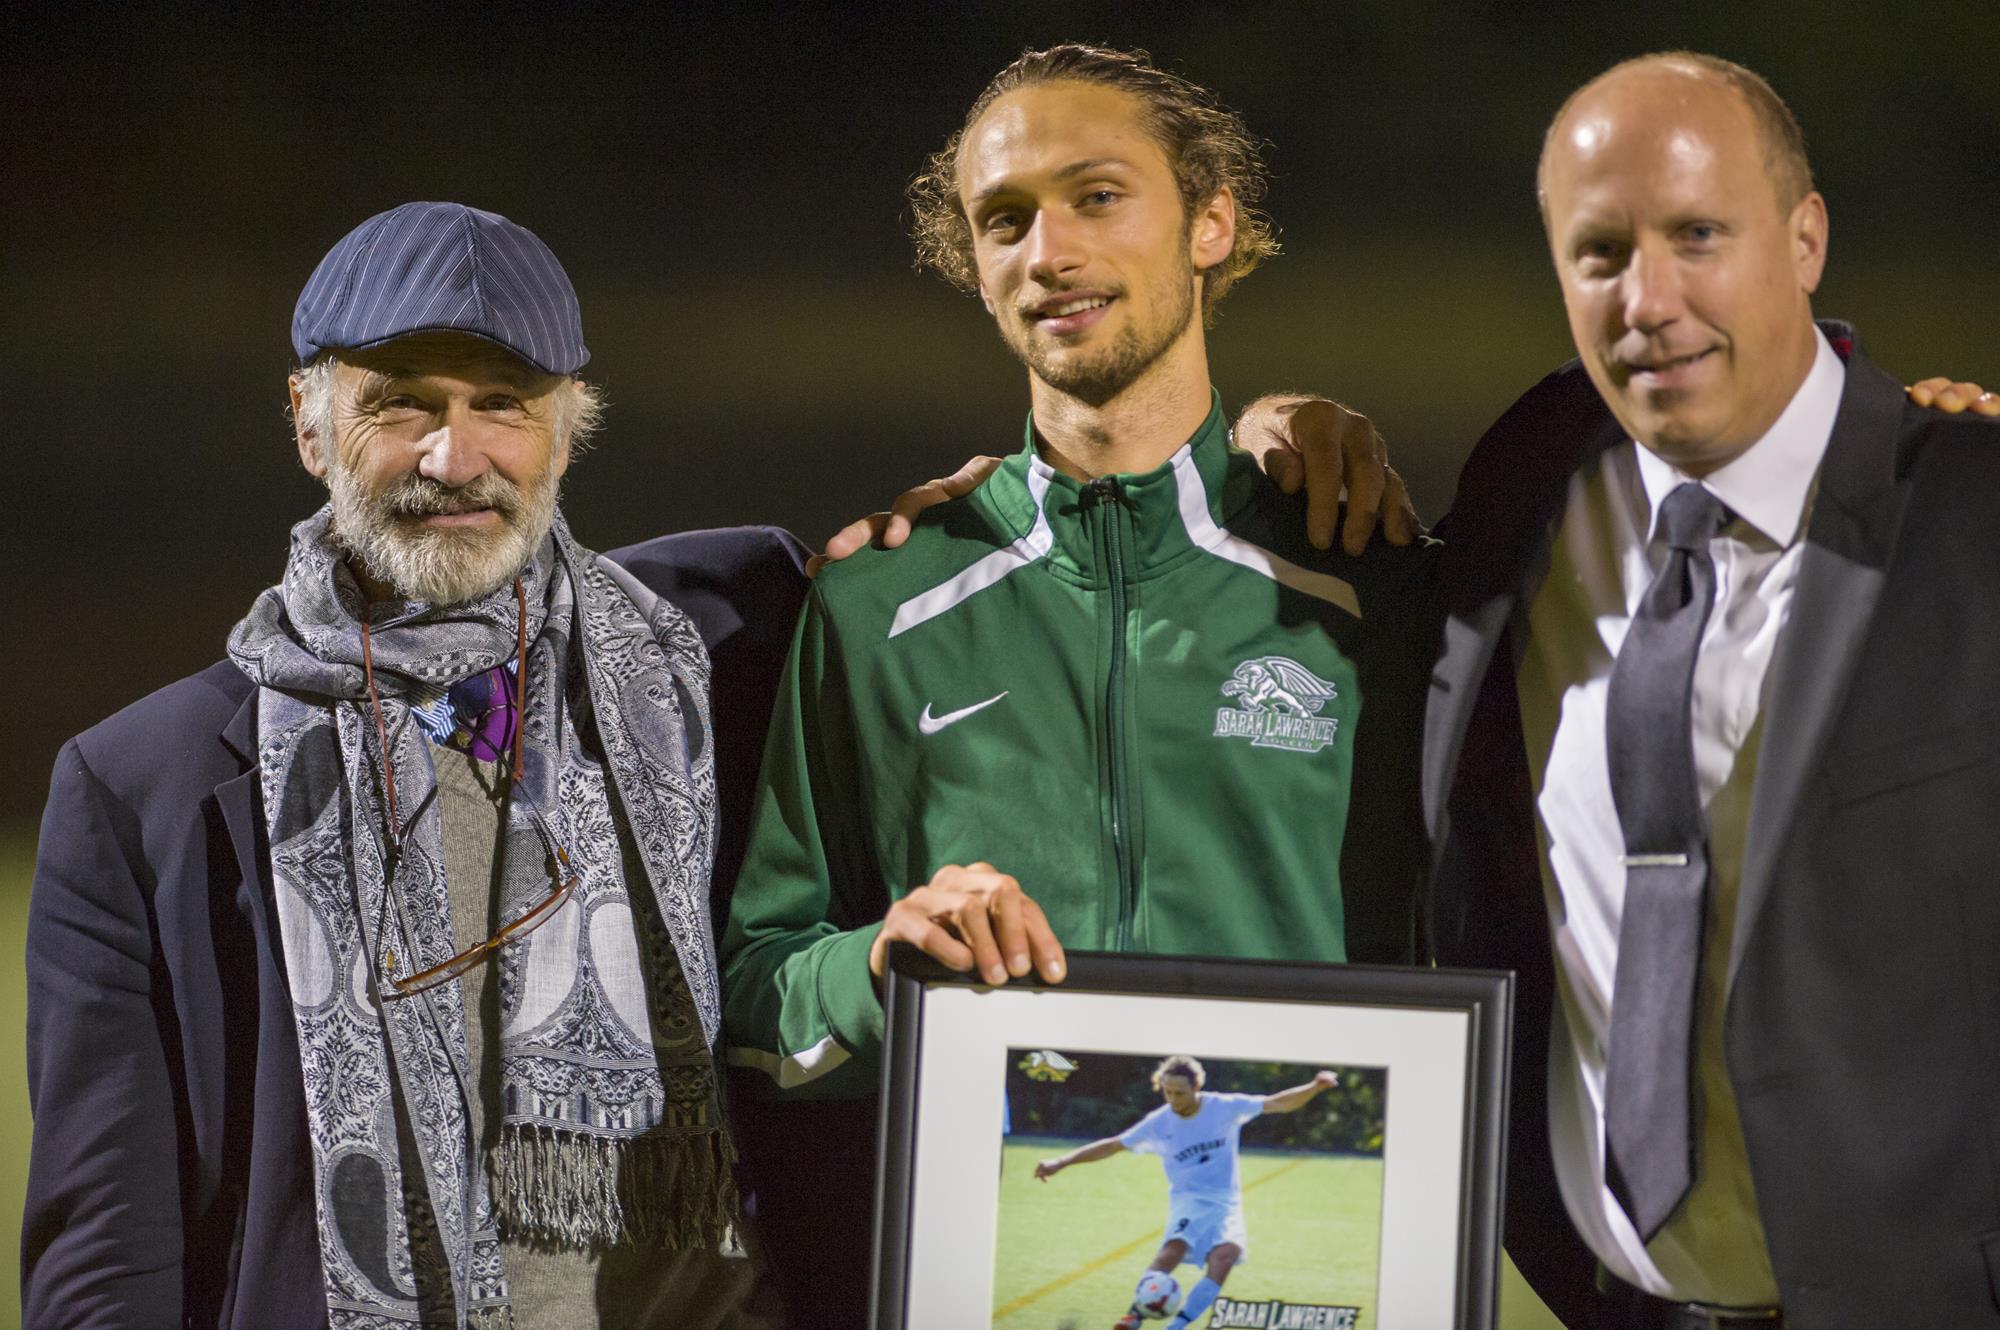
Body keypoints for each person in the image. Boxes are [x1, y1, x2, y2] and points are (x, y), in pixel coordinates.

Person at [716, 44, 1429, 1321]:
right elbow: (757, 992)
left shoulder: (1366, 588)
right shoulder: (880, 602)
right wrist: (874, 964)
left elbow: (1478, 940)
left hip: (1327, 1271)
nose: (1047, 250)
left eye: (1097, 196)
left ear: (1210, 223)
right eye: (1004, 219)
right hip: (979, 1279)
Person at [22, 201, 808, 1328]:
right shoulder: (140, 786)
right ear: (310, 426)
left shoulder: (726, 648)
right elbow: (106, 1246)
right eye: (402, 404)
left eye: (503, 404)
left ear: (565, 432)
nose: (455, 457)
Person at [1412, 53, 2000, 1328]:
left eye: (1695, 235)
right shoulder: (1526, 480)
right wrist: (1273, 429)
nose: (1647, 300)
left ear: (1803, 239)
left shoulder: (1968, 515)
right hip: (1597, 1295)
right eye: (1599, 252)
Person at [1034, 1056, 1340, 1330]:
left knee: (1224, 1258)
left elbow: (1277, 1103)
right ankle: (1133, 1317)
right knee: (1173, 1250)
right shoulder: (1159, 1122)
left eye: (1180, 1093)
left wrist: (1314, 1086)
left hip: (1227, 1202)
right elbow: (1113, 1145)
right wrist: (1061, 1162)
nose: (1173, 1099)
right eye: (1168, 1092)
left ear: (1197, 1087)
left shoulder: (1224, 1107)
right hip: (1189, 1199)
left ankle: (1176, 1327)